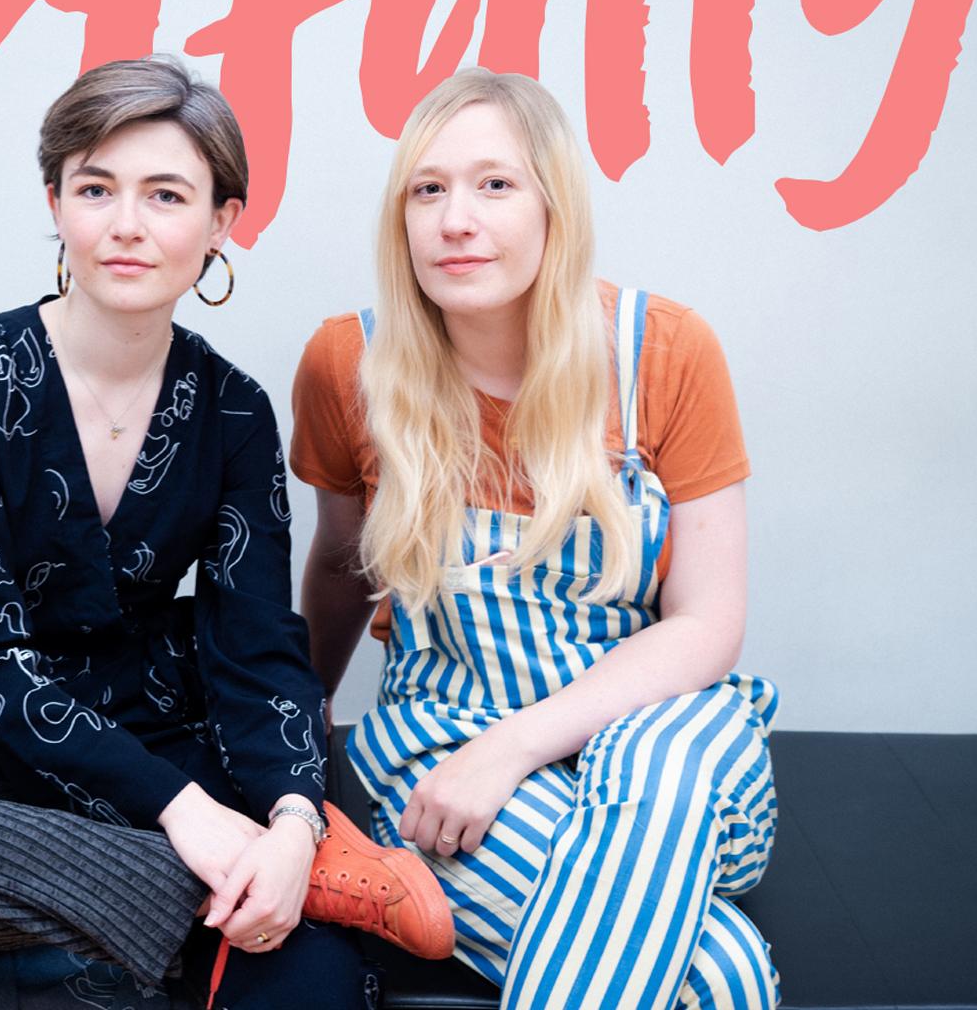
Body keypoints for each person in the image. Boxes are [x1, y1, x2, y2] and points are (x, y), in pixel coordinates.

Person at [0, 57, 449, 1010]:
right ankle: (201, 888)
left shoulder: (234, 411)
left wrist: (290, 818)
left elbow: (255, 646)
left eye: (167, 195)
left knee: (311, 978)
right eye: (96, 189)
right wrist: (189, 822)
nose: (127, 225)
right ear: (56, 203)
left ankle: (256, 870)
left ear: (221, 221)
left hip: (163, 730)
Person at [292, 68, 781, 1009]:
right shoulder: (349, 364)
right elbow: (340, 565)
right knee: (718, 974)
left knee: (660, 762)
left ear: (555, 205)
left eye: (495, 185)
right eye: (427, 190)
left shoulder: (667, 352)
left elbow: (709, 621)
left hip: (664, 730)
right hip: (446, 740)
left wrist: (513, 748)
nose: (455, 220)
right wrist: (292, 748)